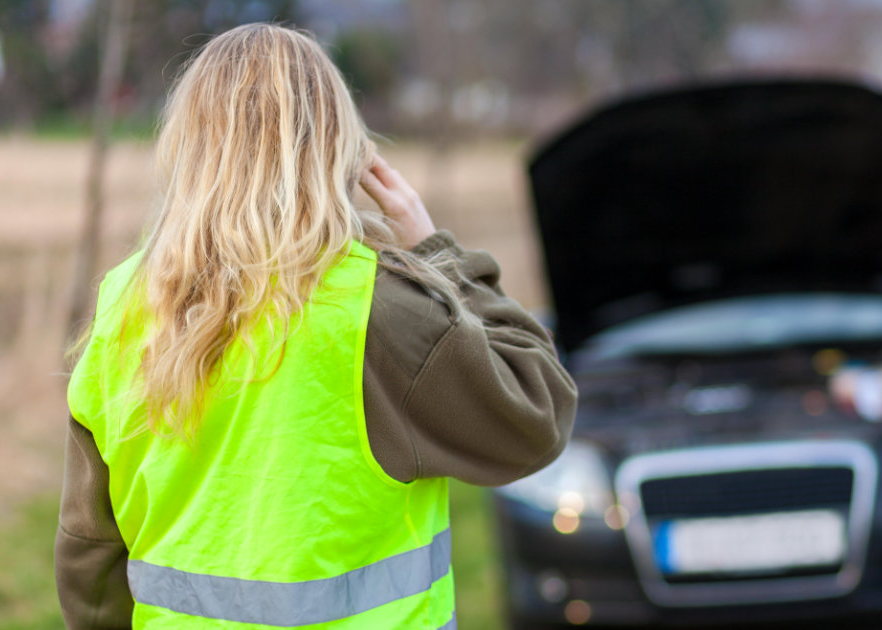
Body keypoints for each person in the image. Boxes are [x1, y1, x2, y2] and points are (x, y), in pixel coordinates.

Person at [56, 23, 576, 629]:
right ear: (338, 146)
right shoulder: (378, 308)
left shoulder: (125, 306)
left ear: (188, 147)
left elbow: (90, 557)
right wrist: (440, 255)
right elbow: (538, 412)